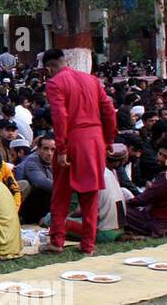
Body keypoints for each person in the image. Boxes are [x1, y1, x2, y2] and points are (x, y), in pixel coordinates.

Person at [43, 47, 117, 255]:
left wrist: (62, 148)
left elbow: (60, 117)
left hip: (72, 141)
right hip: (95, 141)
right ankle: (88, 245)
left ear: (50, 68)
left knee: (60, 195)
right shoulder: (92, 80)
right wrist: (109, 139)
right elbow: (109, 110)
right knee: (90, 196)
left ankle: (57, 241)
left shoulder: (55, 83)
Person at [123, 134, 167, 238]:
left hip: (163, 225)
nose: (160, 158)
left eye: (166, 157)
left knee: (121, 209)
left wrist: (127, 202)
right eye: (160, 154)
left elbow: (145, 199)